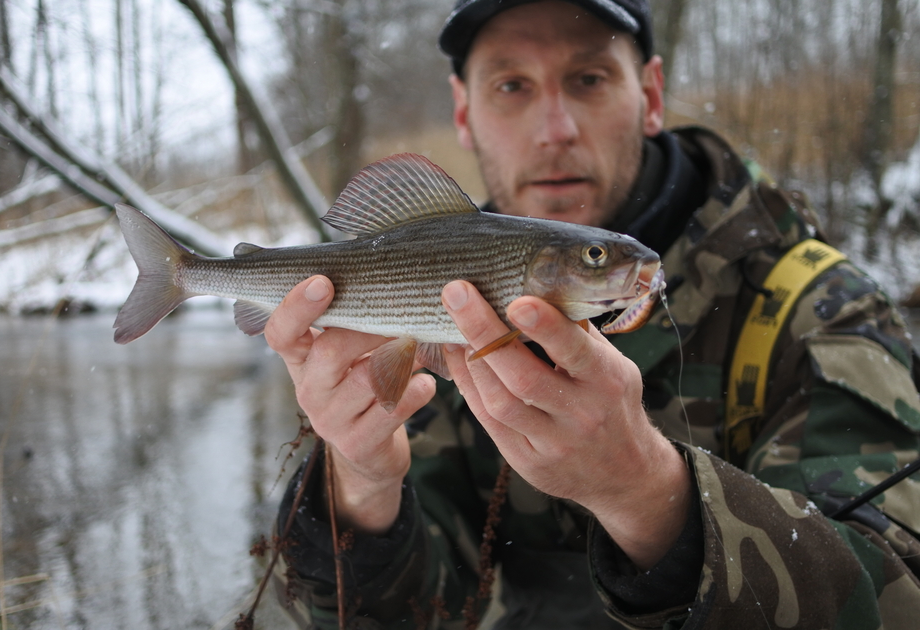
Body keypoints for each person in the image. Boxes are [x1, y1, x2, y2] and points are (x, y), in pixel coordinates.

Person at [262, 0, 920, 627]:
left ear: (651, 95)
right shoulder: (435, 302)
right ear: (463, 111)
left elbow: (901, 601)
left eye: (588, 78)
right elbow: (400, 617)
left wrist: (647, 493)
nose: (555, 130)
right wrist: (362, 486)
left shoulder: (818, 310)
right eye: (511, 86)